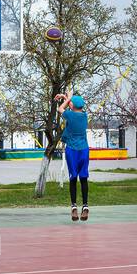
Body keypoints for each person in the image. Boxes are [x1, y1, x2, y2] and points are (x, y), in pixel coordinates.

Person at [55, 92, 91, 222]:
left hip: (72, 150)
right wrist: (66, 98)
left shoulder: (69, 115)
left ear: (72, 104)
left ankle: (74, 206)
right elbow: (73, 107)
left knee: (73, 178)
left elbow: (60, 109)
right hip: (84, 150)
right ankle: (85, 207)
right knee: (83, 178)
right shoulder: (84, 116)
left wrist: (67, 98)